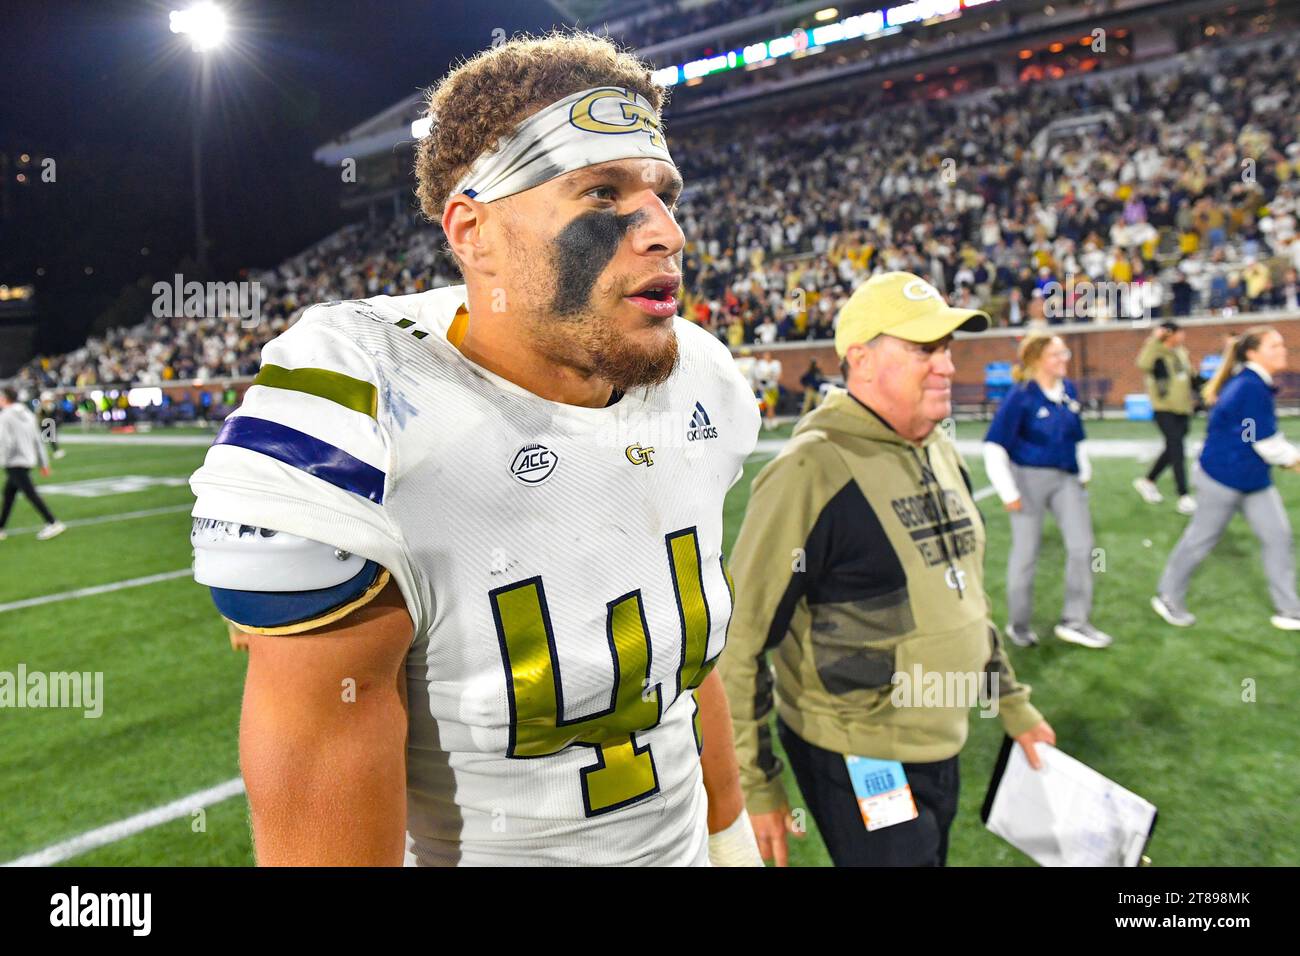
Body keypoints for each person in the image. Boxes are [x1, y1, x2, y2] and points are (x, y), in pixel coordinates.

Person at [188, 32, 763, 866]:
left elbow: (678, 662)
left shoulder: (698, 378)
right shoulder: (369, 407)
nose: (667, 232)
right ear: (474, 231)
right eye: (603, 193)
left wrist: (729, 832)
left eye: (664, 193)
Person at [720, 271, 1054, 867]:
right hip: (858, 750)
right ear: (862, 359)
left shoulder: (939, 448)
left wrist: (1012, 703)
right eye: (924, 348)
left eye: (946, 347)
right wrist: (755, 780)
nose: (947, 365)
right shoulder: (810, 470)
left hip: (940, 736)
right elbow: (738, 637)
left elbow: (965, 601)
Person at [1152, 327, 1300, 631]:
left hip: (1252, 478)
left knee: (1278, 535)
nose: (1282, 350)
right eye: (1274, 346)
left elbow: (1258, 436)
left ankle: (1289, 610)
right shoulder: (1250, 386)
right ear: (1253, 353)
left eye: (1282, 344)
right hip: (1223, 477)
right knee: (1201, 539)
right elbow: (1263, 441)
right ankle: (1167, 596)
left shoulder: (1252, 382)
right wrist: (1293, 460)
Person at [983, 334, 1112, 649]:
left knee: (1083, 546)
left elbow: (1077, 435)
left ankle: (1075, 621)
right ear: (1037, 359)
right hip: (1028, 480)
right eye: (1056, 354)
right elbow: (994, 446)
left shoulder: (1068, 390)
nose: (1064, 358)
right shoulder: (1020, 396)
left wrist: (1083, 470)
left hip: (1066, 478)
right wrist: (1008, 492)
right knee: (1026, 553)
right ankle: (1018, 624)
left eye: (1064, 352)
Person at [1133, 322, 1196, 514]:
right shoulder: (1155, 353)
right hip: (1163, 408)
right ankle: (1183, 495)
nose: (1182, 336)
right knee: (1177, 449)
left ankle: (1148, 480)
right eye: (1179, 333)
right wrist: (1155, 339)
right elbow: (1142, 363)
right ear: (1170, 334)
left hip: (1182, 408)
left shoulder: (1181, 352)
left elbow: (1190, 376)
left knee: (1172, 448)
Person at [0, 387, 65, 542]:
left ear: (5, 398)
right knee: (9, 494)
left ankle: (53, 522)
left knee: (30, 493)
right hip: (27, 459)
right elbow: (38, 440)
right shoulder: (28, 414)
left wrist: (1, 459)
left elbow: (6, 441)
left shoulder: (5, 416)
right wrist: (44, 463)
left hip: (14, 461)